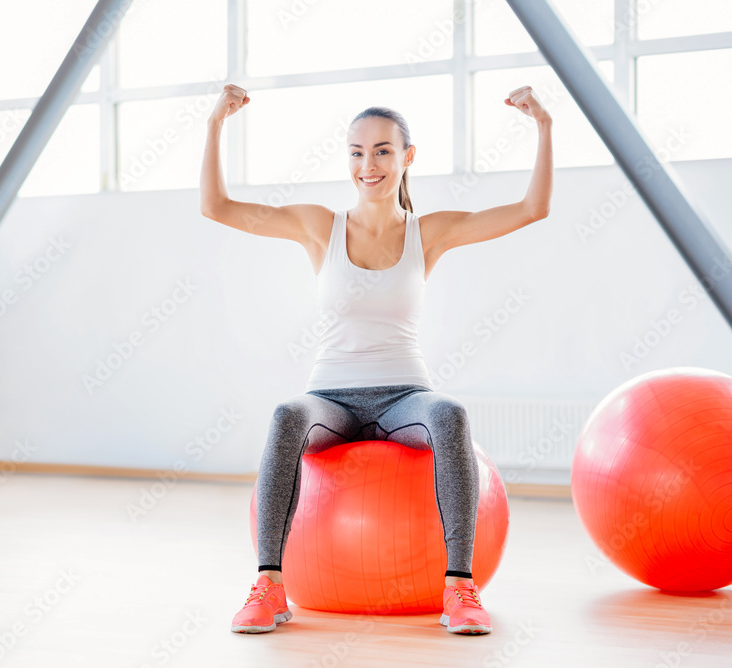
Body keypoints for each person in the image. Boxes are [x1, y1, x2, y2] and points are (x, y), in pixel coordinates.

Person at [199, 83, 552, 636]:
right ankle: (269, 586)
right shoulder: (320, 225)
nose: (369, 164)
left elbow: (534, 209)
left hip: (405, 396)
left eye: (383, 150)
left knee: (450, 414)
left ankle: (460, 589)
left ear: (407, 157)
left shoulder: (428, 232)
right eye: (357, 152)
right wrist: (217, 121)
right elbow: (216, 208)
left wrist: (544, 126)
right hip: (330, 398)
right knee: (286, 416)